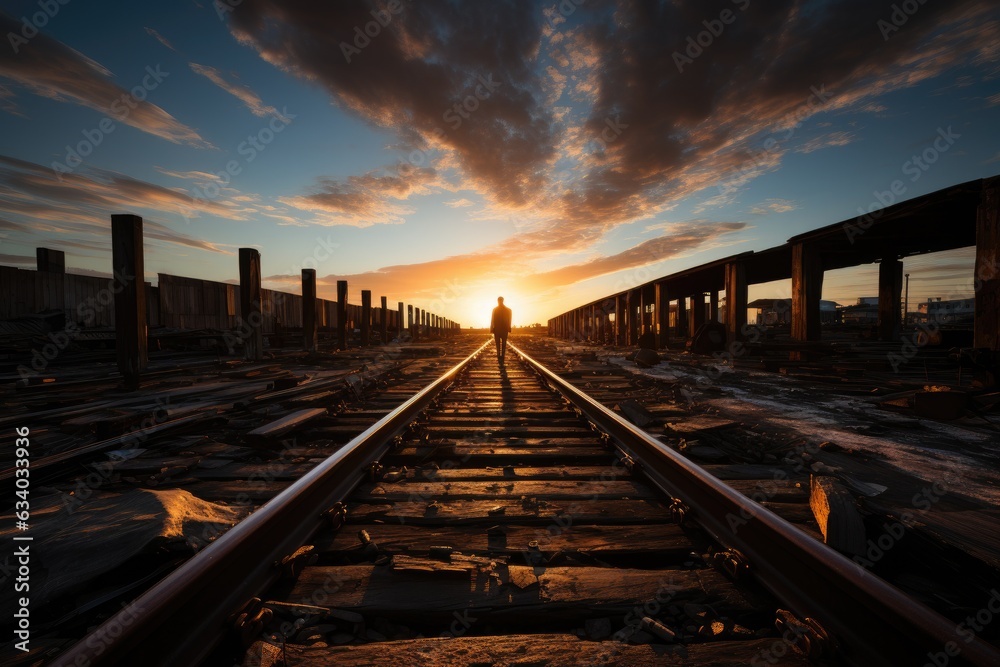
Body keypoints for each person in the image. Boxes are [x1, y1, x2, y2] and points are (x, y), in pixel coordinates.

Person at [490, 296, 512, 361]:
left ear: (502, 301)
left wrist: (509, 327)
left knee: (503, 343)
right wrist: (492, 328)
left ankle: (501, 355)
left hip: (501, 329)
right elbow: (492, 319)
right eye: (499, 300)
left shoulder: (508, 310)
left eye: (500, 300)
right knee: (499, 343)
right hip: (498, 329)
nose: (499, 301)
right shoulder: (507, 310)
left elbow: (509, 319)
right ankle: (500, 355)